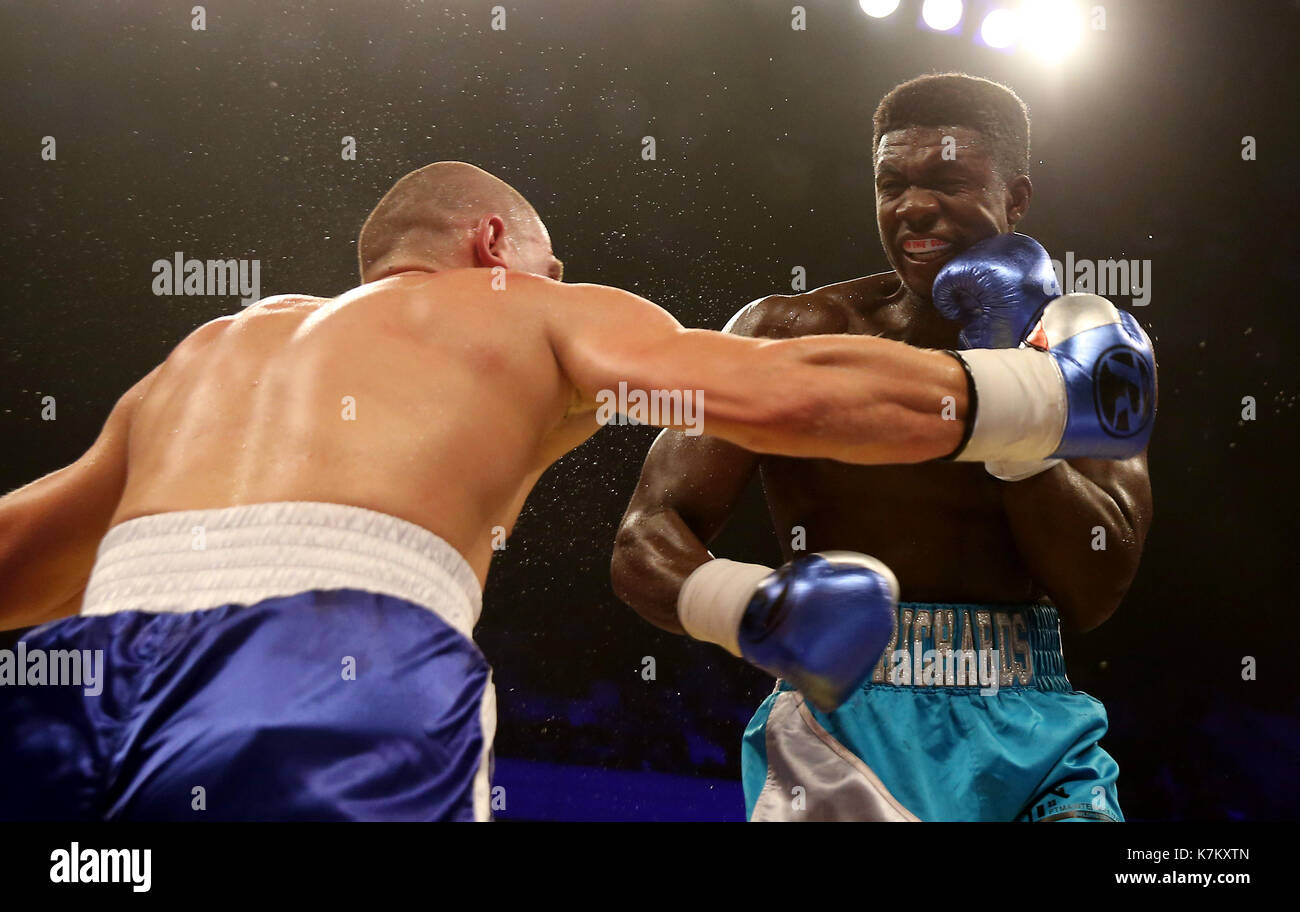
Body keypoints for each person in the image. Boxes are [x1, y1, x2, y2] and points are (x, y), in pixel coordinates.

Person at [0, 161, 1150, 820]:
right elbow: (783, 392)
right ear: (495, 243)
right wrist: (1029, 399)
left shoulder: (203, 360)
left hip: (84, 687)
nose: (559, 281)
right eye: (551, 263)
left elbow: (20, 563)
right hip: (329, 669)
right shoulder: (519, 304)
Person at [611, 74, 1154, 822]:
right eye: (891, 183)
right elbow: (645, 537)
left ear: (1017, 198)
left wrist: (1010, 395)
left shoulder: (1082, 345)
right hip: (842, 732)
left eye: (948, 180)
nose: (914, 206)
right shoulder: (791, 335)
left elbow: (1099, 585)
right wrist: (750, 606)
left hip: (1039, 730)